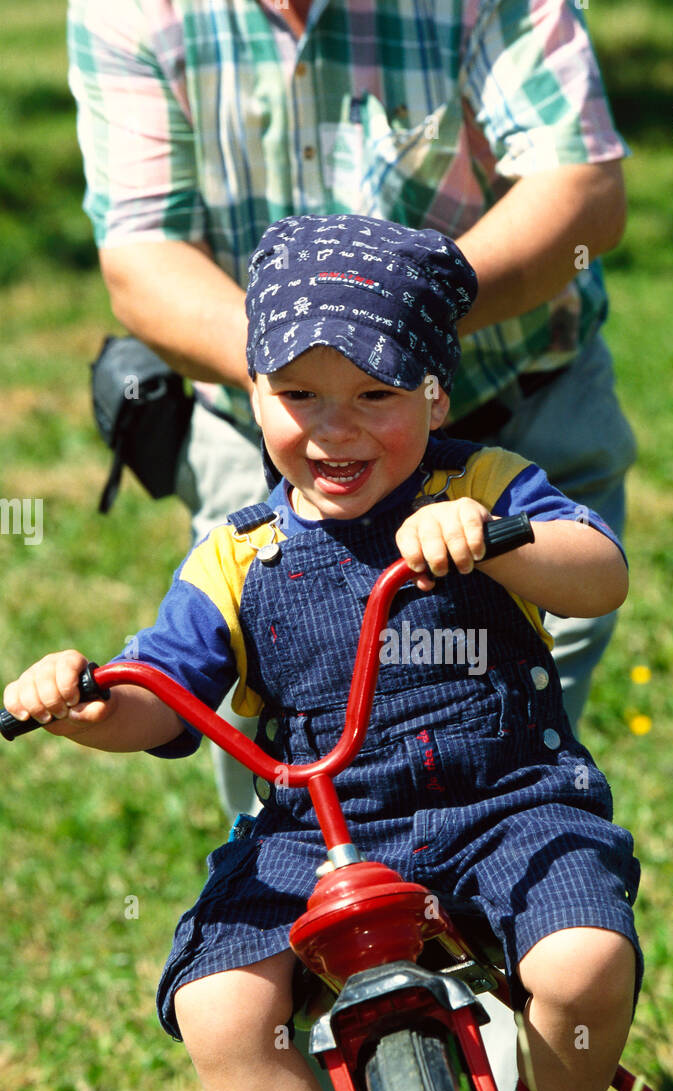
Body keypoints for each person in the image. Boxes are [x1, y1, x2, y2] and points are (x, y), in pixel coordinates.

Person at [3, 214, 641, 1091]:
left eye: (374, 395)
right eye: (297, 394)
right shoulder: (238, 555)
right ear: (251, 389)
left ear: (435, 393)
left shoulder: (481, 483)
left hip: (506, 798)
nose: (332, 429)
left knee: (582, 962)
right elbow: (165, 697)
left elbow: (599, 574)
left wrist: (495, 535)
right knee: (222, 1008)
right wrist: (84, 705)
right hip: (319, 827)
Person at [68, 0, 636, 820]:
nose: (344, 417)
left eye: (377, 388)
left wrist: (395, 331)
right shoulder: (129, 11)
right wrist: (314, 388)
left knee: (513, 793)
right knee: (295, 816)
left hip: (518, 423)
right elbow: (141, 258)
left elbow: (584, 193)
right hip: (262, 445)